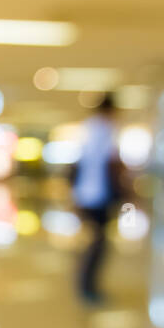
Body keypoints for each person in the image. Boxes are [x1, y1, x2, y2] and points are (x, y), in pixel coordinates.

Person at [72, 93, 124, 305]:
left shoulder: (88, 128)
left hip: (85, 195)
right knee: (98, 243)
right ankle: (87, 287)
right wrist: (123, 193)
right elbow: (111, 163)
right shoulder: (106, 130)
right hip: (99, 195)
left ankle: (86, 285)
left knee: (95, 241)